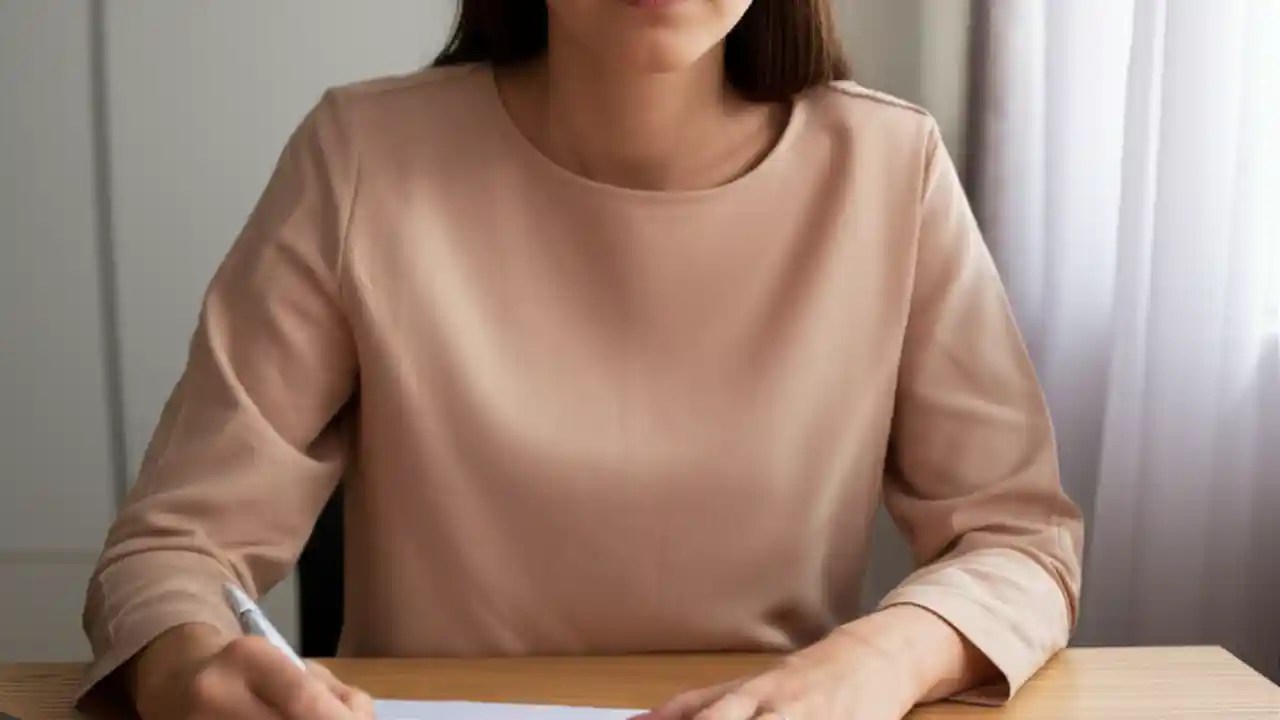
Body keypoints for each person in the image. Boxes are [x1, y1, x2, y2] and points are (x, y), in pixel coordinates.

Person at [79, 1, 1083, 718]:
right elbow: (173, 551)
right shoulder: (361, 156)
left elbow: (1017, 541)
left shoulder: (888, 170)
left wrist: (877, 660)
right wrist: (182, 670)